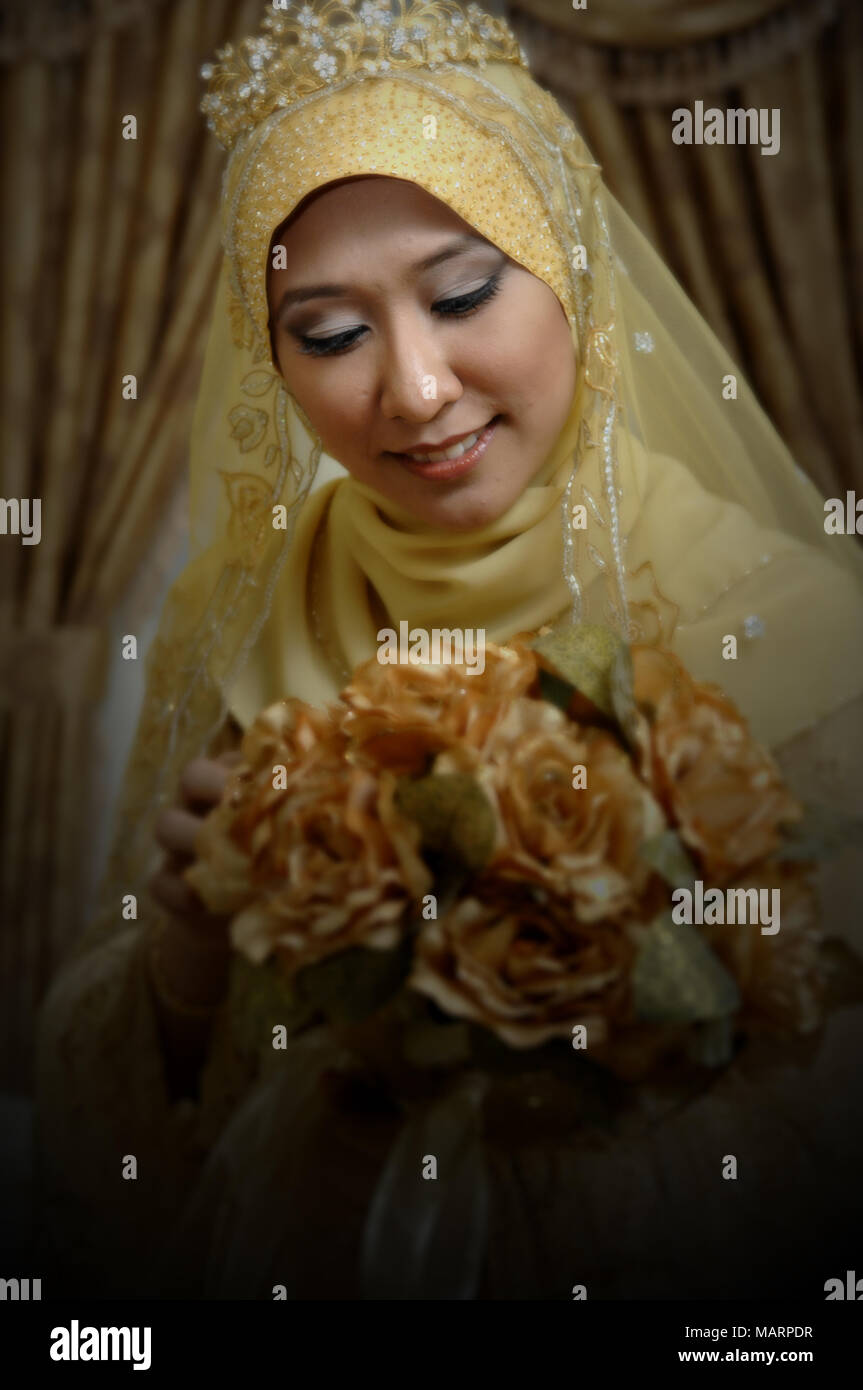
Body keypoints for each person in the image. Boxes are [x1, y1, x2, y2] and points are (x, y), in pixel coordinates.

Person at [35, 0, 863, 1300]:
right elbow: (112, 1165)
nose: (416, 389)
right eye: (329, 331)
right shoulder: (242, 628)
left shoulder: (793, 630)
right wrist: (182, 969)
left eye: (465, 292)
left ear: (572, 265)